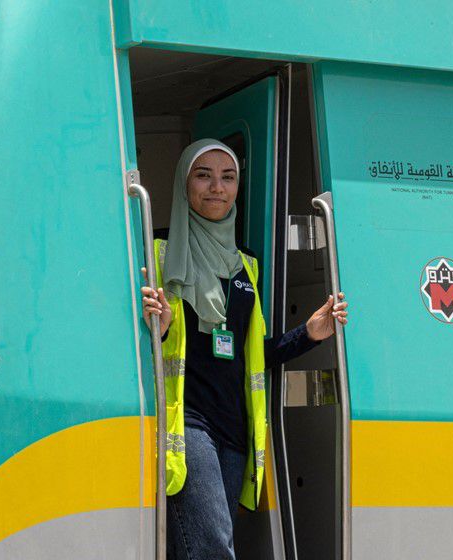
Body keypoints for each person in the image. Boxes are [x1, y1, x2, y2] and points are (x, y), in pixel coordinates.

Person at [140, 139, 349, 560]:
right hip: (187, 423)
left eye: (228, 177)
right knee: (213, 547)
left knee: (199, 547)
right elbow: (130, 346)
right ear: (184, 183)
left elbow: (249, 355)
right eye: (204, 175)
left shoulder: (246, 264)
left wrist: (308, 334)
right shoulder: (155, 249)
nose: (217, 187)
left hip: (234, 430)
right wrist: (156, 333)